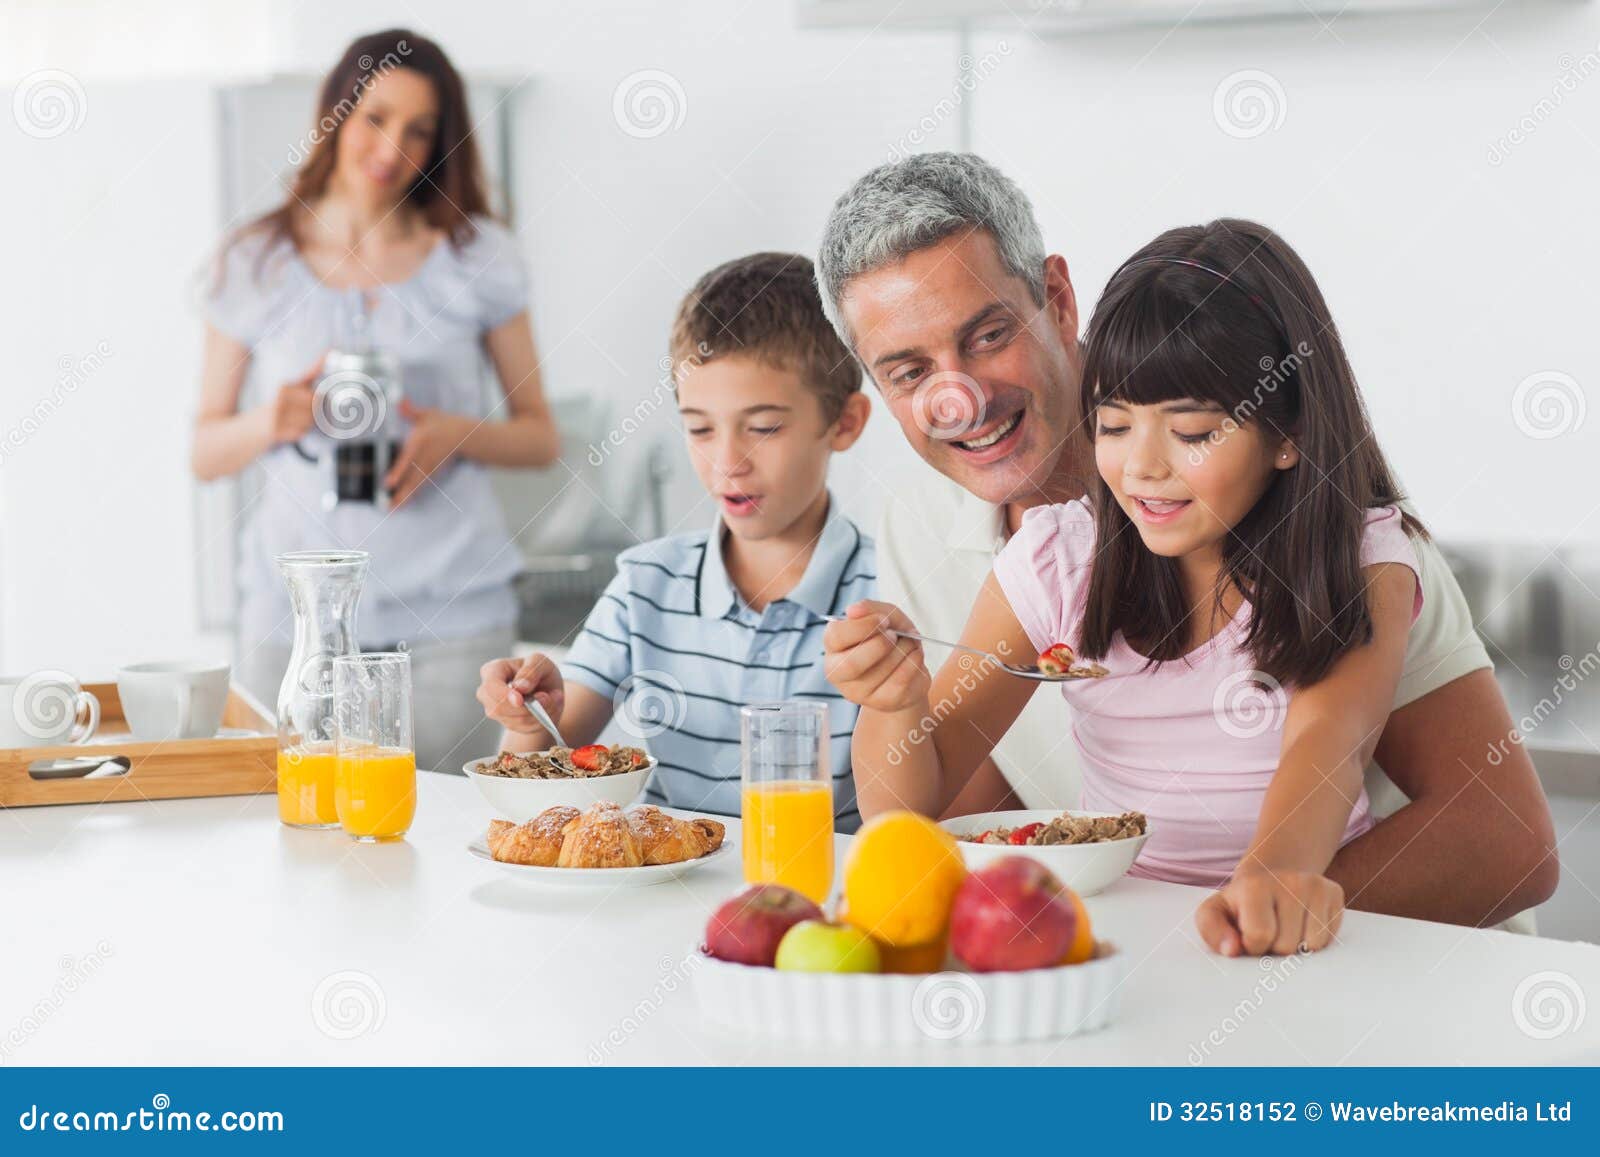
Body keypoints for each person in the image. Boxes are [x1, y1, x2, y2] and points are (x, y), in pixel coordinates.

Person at [815, 153, 1557, 932]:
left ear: (1059, 302)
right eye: (907, 370)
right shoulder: (1016, 547)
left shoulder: (1346, 540)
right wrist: (891, 706)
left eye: (989, 334)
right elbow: (936, 810)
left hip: (1378, 952)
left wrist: (1244, 904)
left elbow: (1383, 774)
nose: (957, 398)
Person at [191, 30, 560, 771]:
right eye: (376, 117)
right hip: (293, 620)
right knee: (291, 824)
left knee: (440, 840)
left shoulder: (476, 256)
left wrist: (457, 433)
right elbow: (203, 451)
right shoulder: (254, 261)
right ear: (335, 113)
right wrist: (274, 419)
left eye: (419, 129)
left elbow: (539, 437)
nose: (393, 146)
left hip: (451, 617)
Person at [475, 253, 873, 827]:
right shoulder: (647, 584)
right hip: (670, 897)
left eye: (762, 428)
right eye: (699, 428)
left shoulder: (890, 595)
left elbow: (914, 820)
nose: (727, 463)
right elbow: (539, 785)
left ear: (844, 423)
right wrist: (530, 720)